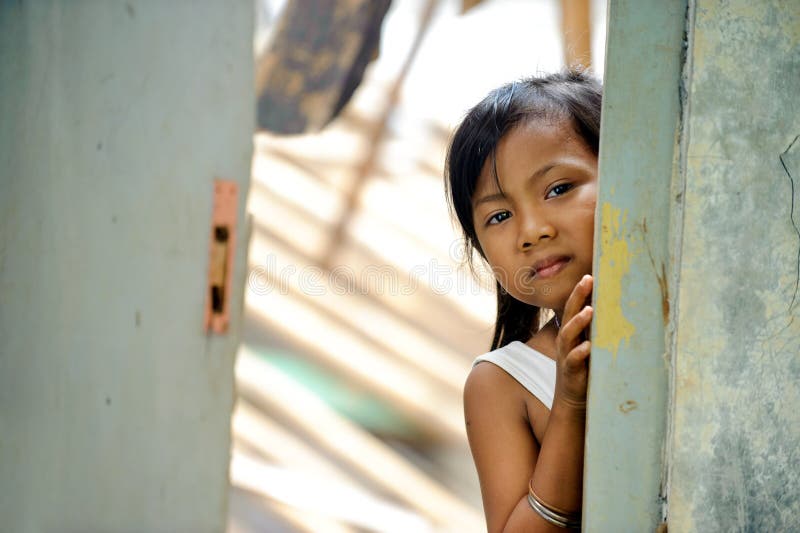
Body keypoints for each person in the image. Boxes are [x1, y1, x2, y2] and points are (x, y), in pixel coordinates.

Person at [444, 70, 601, 531]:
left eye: (558, 189)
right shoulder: (502, 384)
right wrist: (569, 404)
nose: (532, 231)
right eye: (499, 216)